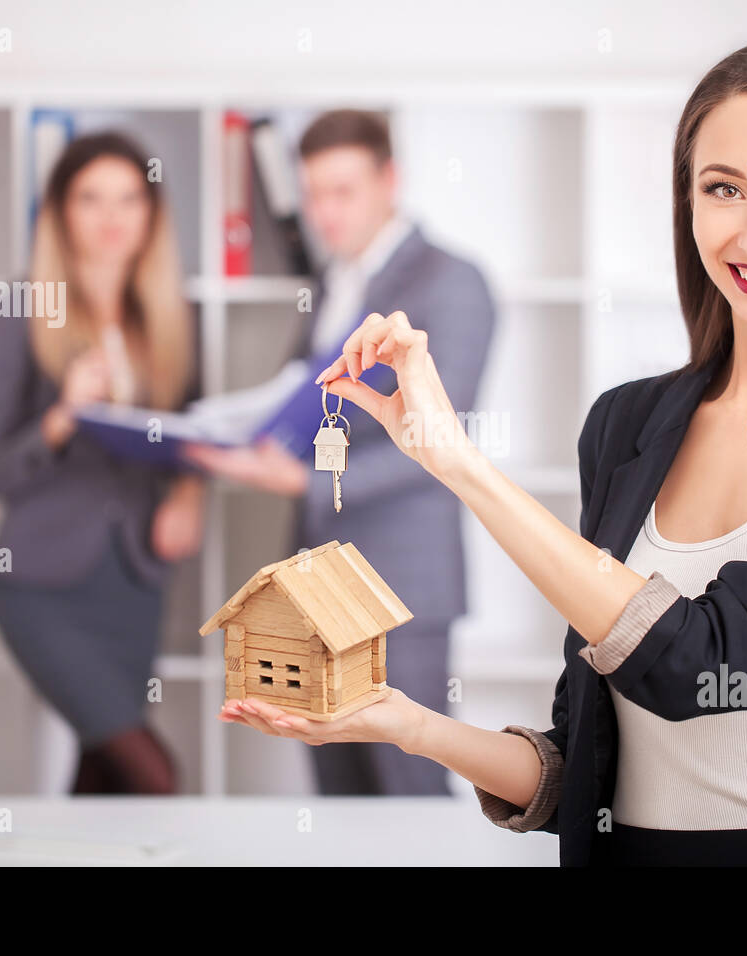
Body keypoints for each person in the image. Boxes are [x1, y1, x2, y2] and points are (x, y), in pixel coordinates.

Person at [217, 38, 747, 867]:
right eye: (724, 189)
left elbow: (696, 664)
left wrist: (458, 463)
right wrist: (405, 724)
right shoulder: (628, 424)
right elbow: (581, 768)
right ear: (690, 204)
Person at [186, 110, 496, 796]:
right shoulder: (333, 282)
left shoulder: (453, 281)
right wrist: (250, 443)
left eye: (342, 192)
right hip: (317, 583)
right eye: (313, 194)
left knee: (408, 794)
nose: (323, 214)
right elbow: (308, 402)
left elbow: (443, 444)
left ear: (392, 180)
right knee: (340, 801)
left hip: (401, 586)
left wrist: (302, 481)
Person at [0, 132, 204, 795]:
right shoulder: (21, 309)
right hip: (40, 583)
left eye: (130, 199)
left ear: (151, 214)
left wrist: (188, 494)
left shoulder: (170, 313)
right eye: (91, 199)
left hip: (134, 579)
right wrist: (62, 416)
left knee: (103, 773)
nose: (112, 218)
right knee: (155, 776)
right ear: (59, 211)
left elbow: (195, 435)